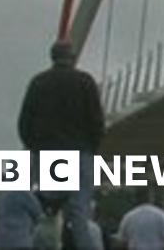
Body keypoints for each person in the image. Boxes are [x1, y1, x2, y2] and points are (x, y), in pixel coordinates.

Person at [18, 40, 105, 250]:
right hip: (80, 152)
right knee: (80, 218)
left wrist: (35, 148)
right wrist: (91, 148)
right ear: (72, 57)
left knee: (49, 214)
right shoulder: (85, 81)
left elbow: (25, 122)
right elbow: (96, 120)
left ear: (52, 57)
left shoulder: (39, 82)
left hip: (49, 152)